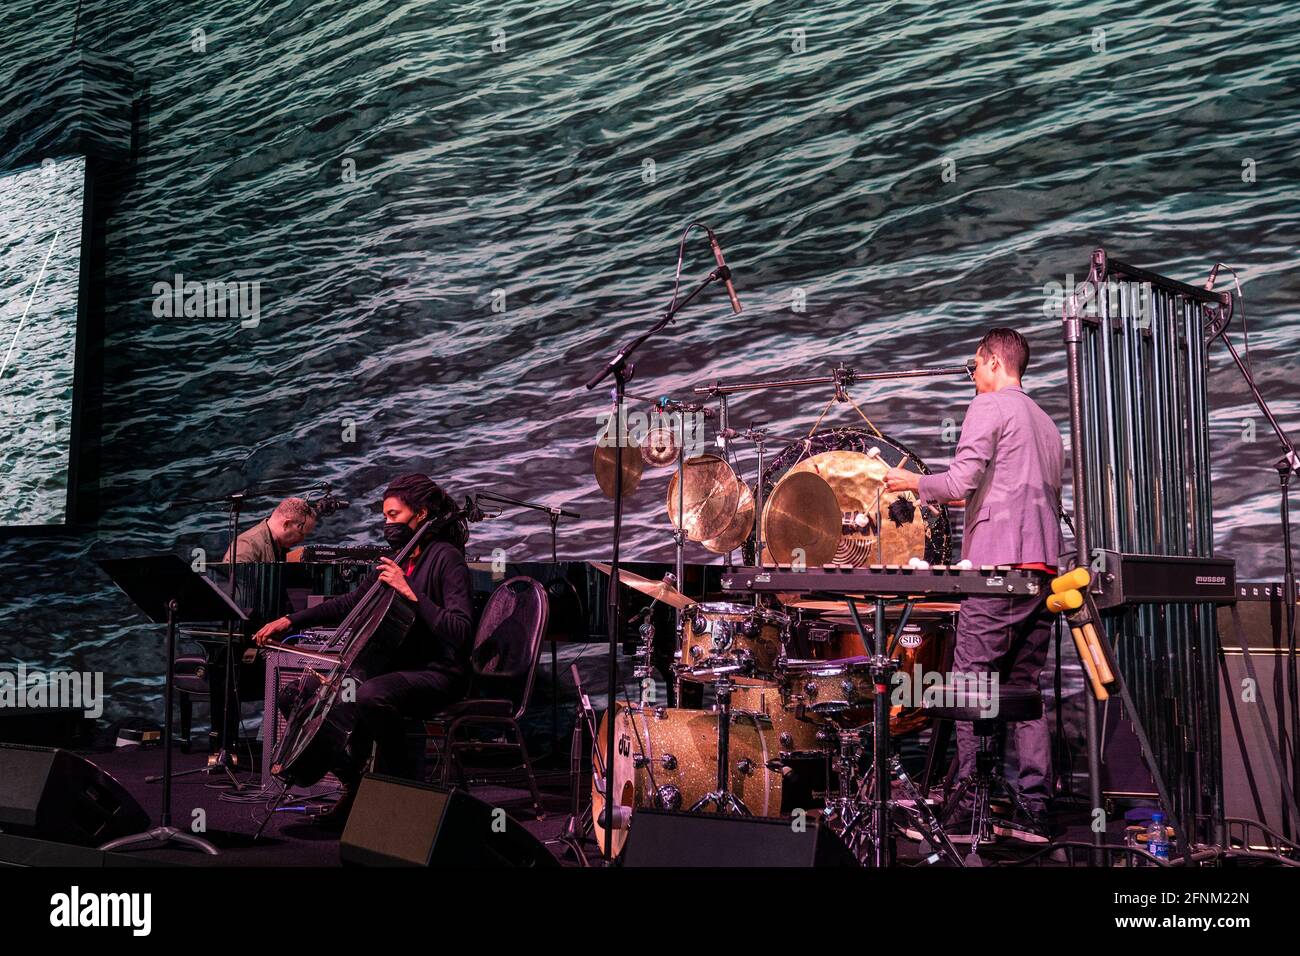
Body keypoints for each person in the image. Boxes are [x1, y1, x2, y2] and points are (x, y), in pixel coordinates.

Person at [884, 327, 1065, 843]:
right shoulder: (1048, 425)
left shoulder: (989, 407)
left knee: (970, 684)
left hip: (997, 572)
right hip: (1042, 573)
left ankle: (967, 801)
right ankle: (1033, 807)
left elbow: (961, 483)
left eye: (973, 368)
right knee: (1023, 690)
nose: (972, 379)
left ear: (990, 363)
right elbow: (1006, 491)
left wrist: (912, 483)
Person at [252, 474, 474, 827]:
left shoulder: (446, 559)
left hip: (439, 672)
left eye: (394, 515)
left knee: (370, 695)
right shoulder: (397, 557)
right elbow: (350, 602)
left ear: (421, 514)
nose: (386, 524)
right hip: (394, 667)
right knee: (298, 693)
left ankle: (404, 790)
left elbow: (460, 631)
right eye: (384, 517)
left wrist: (410, 593)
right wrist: (291, 621)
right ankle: (355, 783)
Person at [222, 497, 317, 562]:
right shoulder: (247, 545)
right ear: (286, 524)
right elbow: (234, 588)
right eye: (301, 533)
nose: (302, 539)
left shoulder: (281, 546)